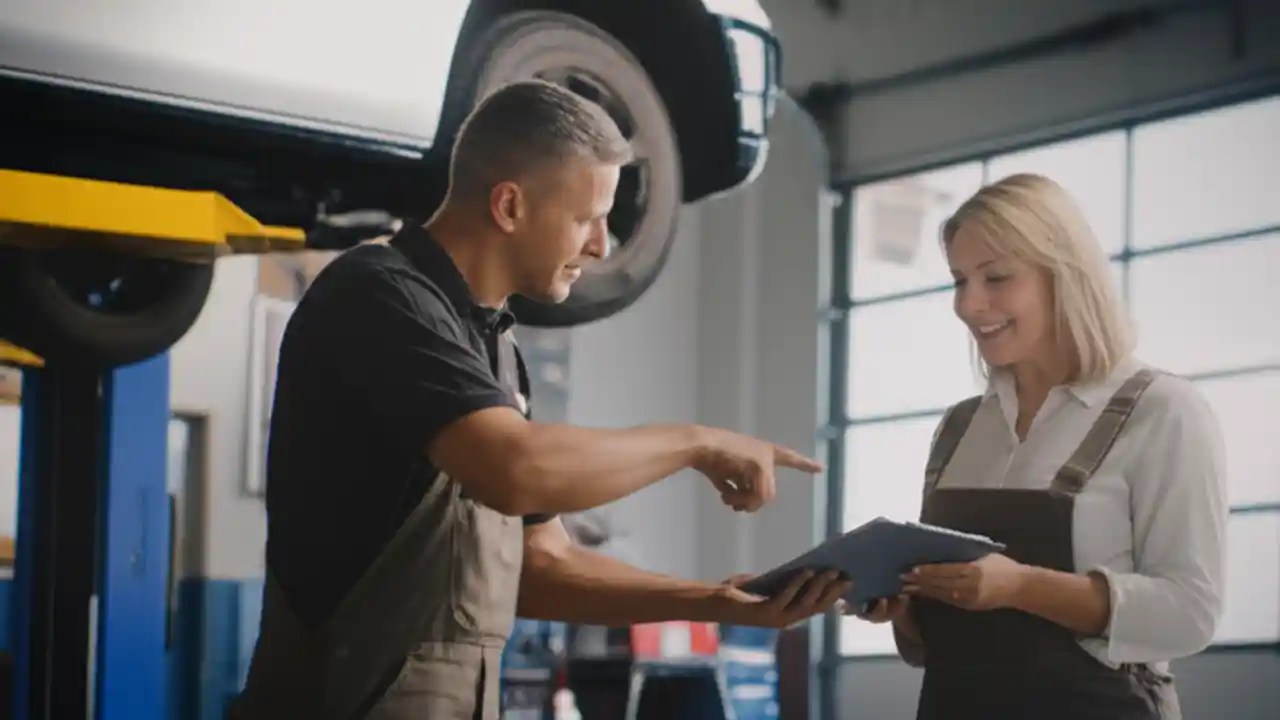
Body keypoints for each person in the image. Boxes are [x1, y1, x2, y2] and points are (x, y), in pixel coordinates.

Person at [228, 80, 851, 720]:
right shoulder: (381, 296)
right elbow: (517, 471)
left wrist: (715, 601)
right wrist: (698, 441)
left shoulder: (492, 347)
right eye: (587, 218)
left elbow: (540, 562)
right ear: (509, 206)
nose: (602, 246)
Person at [852, 173, 1227, 719]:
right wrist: (903, 606)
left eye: (996, 278)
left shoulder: (1164, 411)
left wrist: (1021, 586)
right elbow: (932, 646)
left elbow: (1190, 612)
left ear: (1064, 276)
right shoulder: (959, 427)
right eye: (959, 280)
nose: (969, 304)